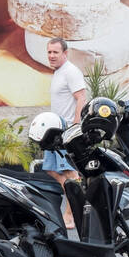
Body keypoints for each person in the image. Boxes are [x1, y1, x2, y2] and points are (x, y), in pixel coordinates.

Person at [44, 37, 88, 230]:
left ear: (65, 53)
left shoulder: (71, 72)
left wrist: (75, 127)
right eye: (49, 52)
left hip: (66, 131)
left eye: (55, 52)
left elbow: (81, 98)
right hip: (56, 132)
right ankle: (76, 194)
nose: (52, 56)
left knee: (69, 174)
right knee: (50, 168)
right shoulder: (59, 72)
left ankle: (70, 215)